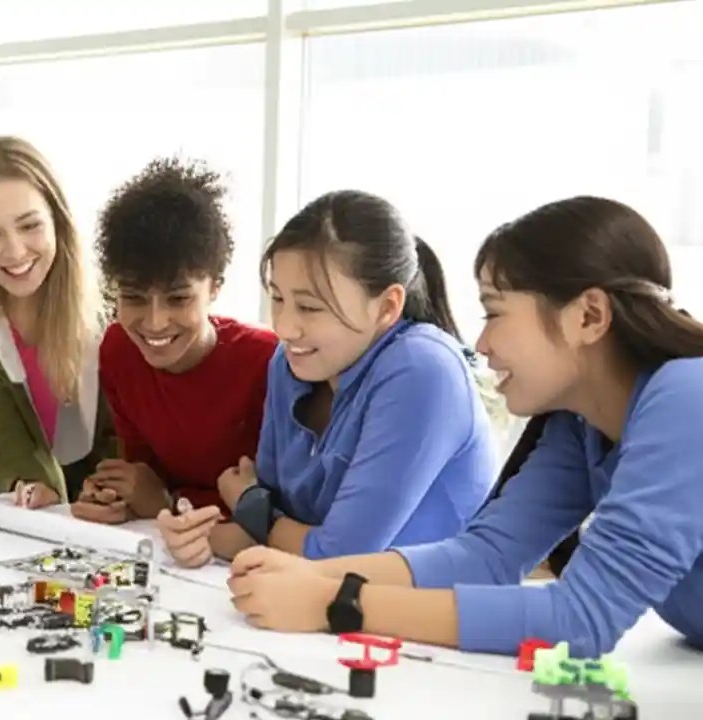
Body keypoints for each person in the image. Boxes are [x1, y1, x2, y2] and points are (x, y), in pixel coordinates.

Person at [226, 196, 703, 657]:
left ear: (589, 316)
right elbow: (487, 558)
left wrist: (333, 603)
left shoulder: (688, 395)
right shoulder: (579, 425)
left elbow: (580, 618)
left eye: (494, 313)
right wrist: (317, 578)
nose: (482, 342)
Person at [158, 190, 498, 567]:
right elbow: (274, 530)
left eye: (309, 307)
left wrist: (250, 504)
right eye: (277, 298)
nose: (284, 327)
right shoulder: (288, 365)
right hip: (328, 603)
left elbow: (340, 555)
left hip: (425, 614)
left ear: (386, 307)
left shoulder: (422, 369)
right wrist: (197, 536)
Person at [70, 157, 278, 525]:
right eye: (133, 297)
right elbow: (144, 475)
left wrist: (167, 502)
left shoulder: (269, 364)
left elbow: (276, 508)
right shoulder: (118, 349)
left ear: (214, 287)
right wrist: (116, 495)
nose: (154, 322)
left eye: (178, 299)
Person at [0, 137, 111, 508]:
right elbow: (3, 441)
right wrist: (16, 482)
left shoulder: (114, 315)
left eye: (29, 225)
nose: (14, 251)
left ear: (57, 221)